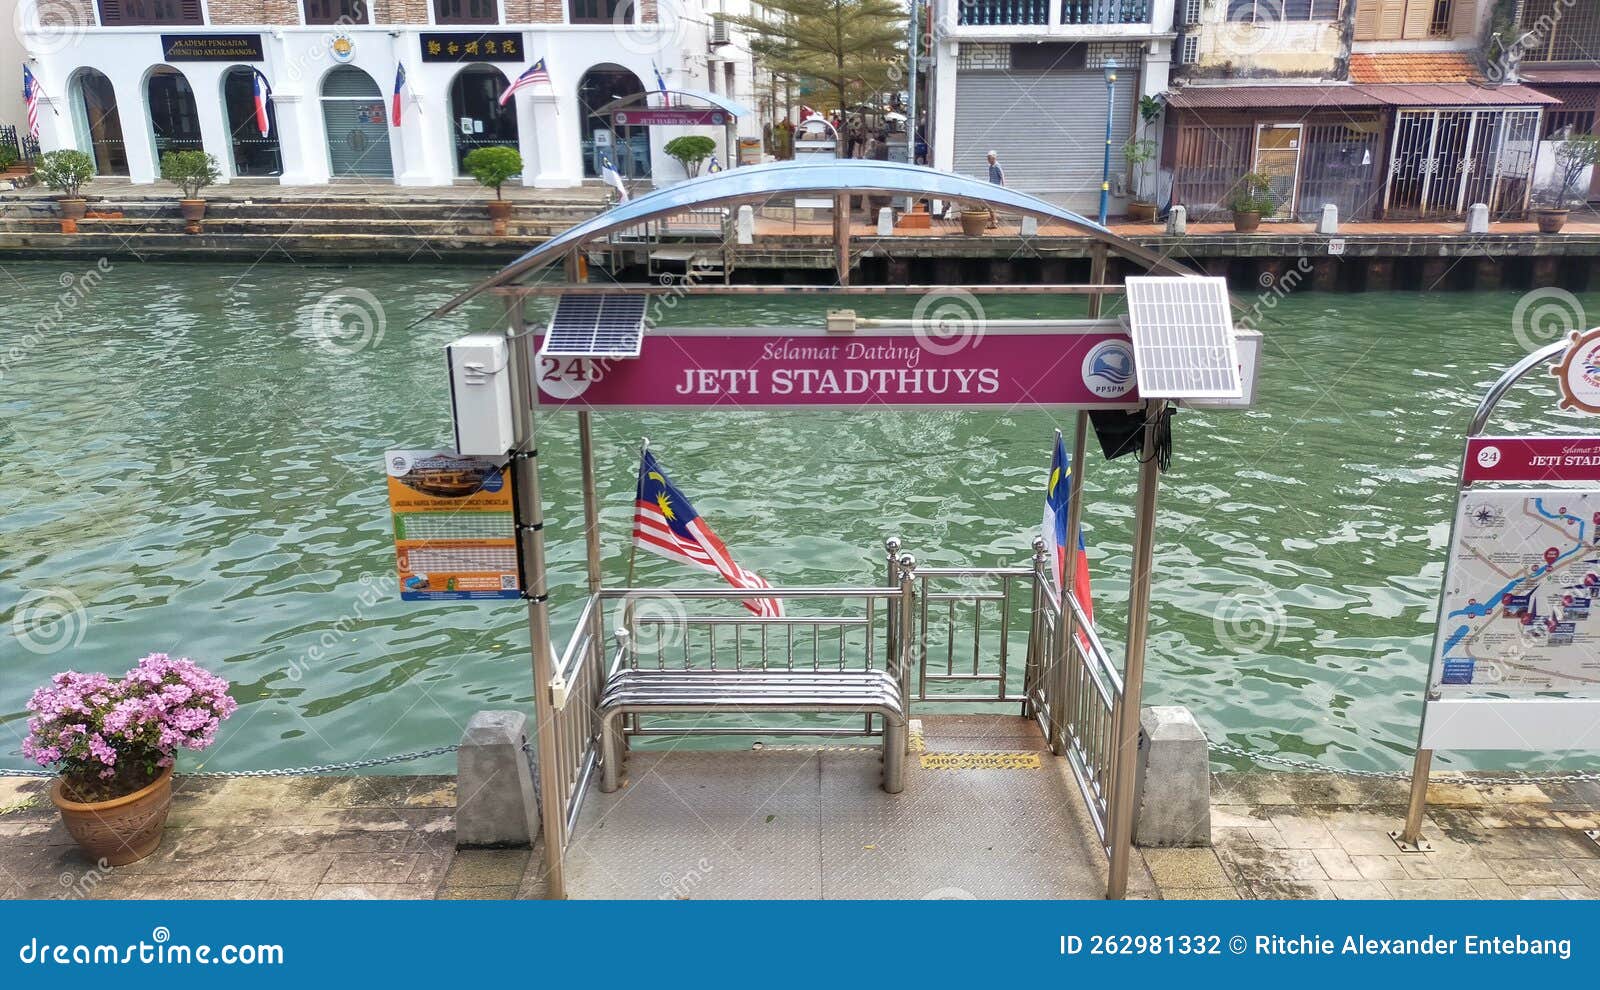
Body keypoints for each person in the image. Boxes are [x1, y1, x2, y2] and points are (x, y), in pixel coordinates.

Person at [985, 150, 1004, 228]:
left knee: (991, 205)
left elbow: (1002, 175)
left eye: (989, 158)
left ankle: (994, 221)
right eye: (988, 158)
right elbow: (990, 177)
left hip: (996, 189)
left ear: (993, 158)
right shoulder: (990, 167)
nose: (988, 160)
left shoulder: (997, 166)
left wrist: (1003, 186)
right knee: (991, 206)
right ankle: (994, 221)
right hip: (991, 188)